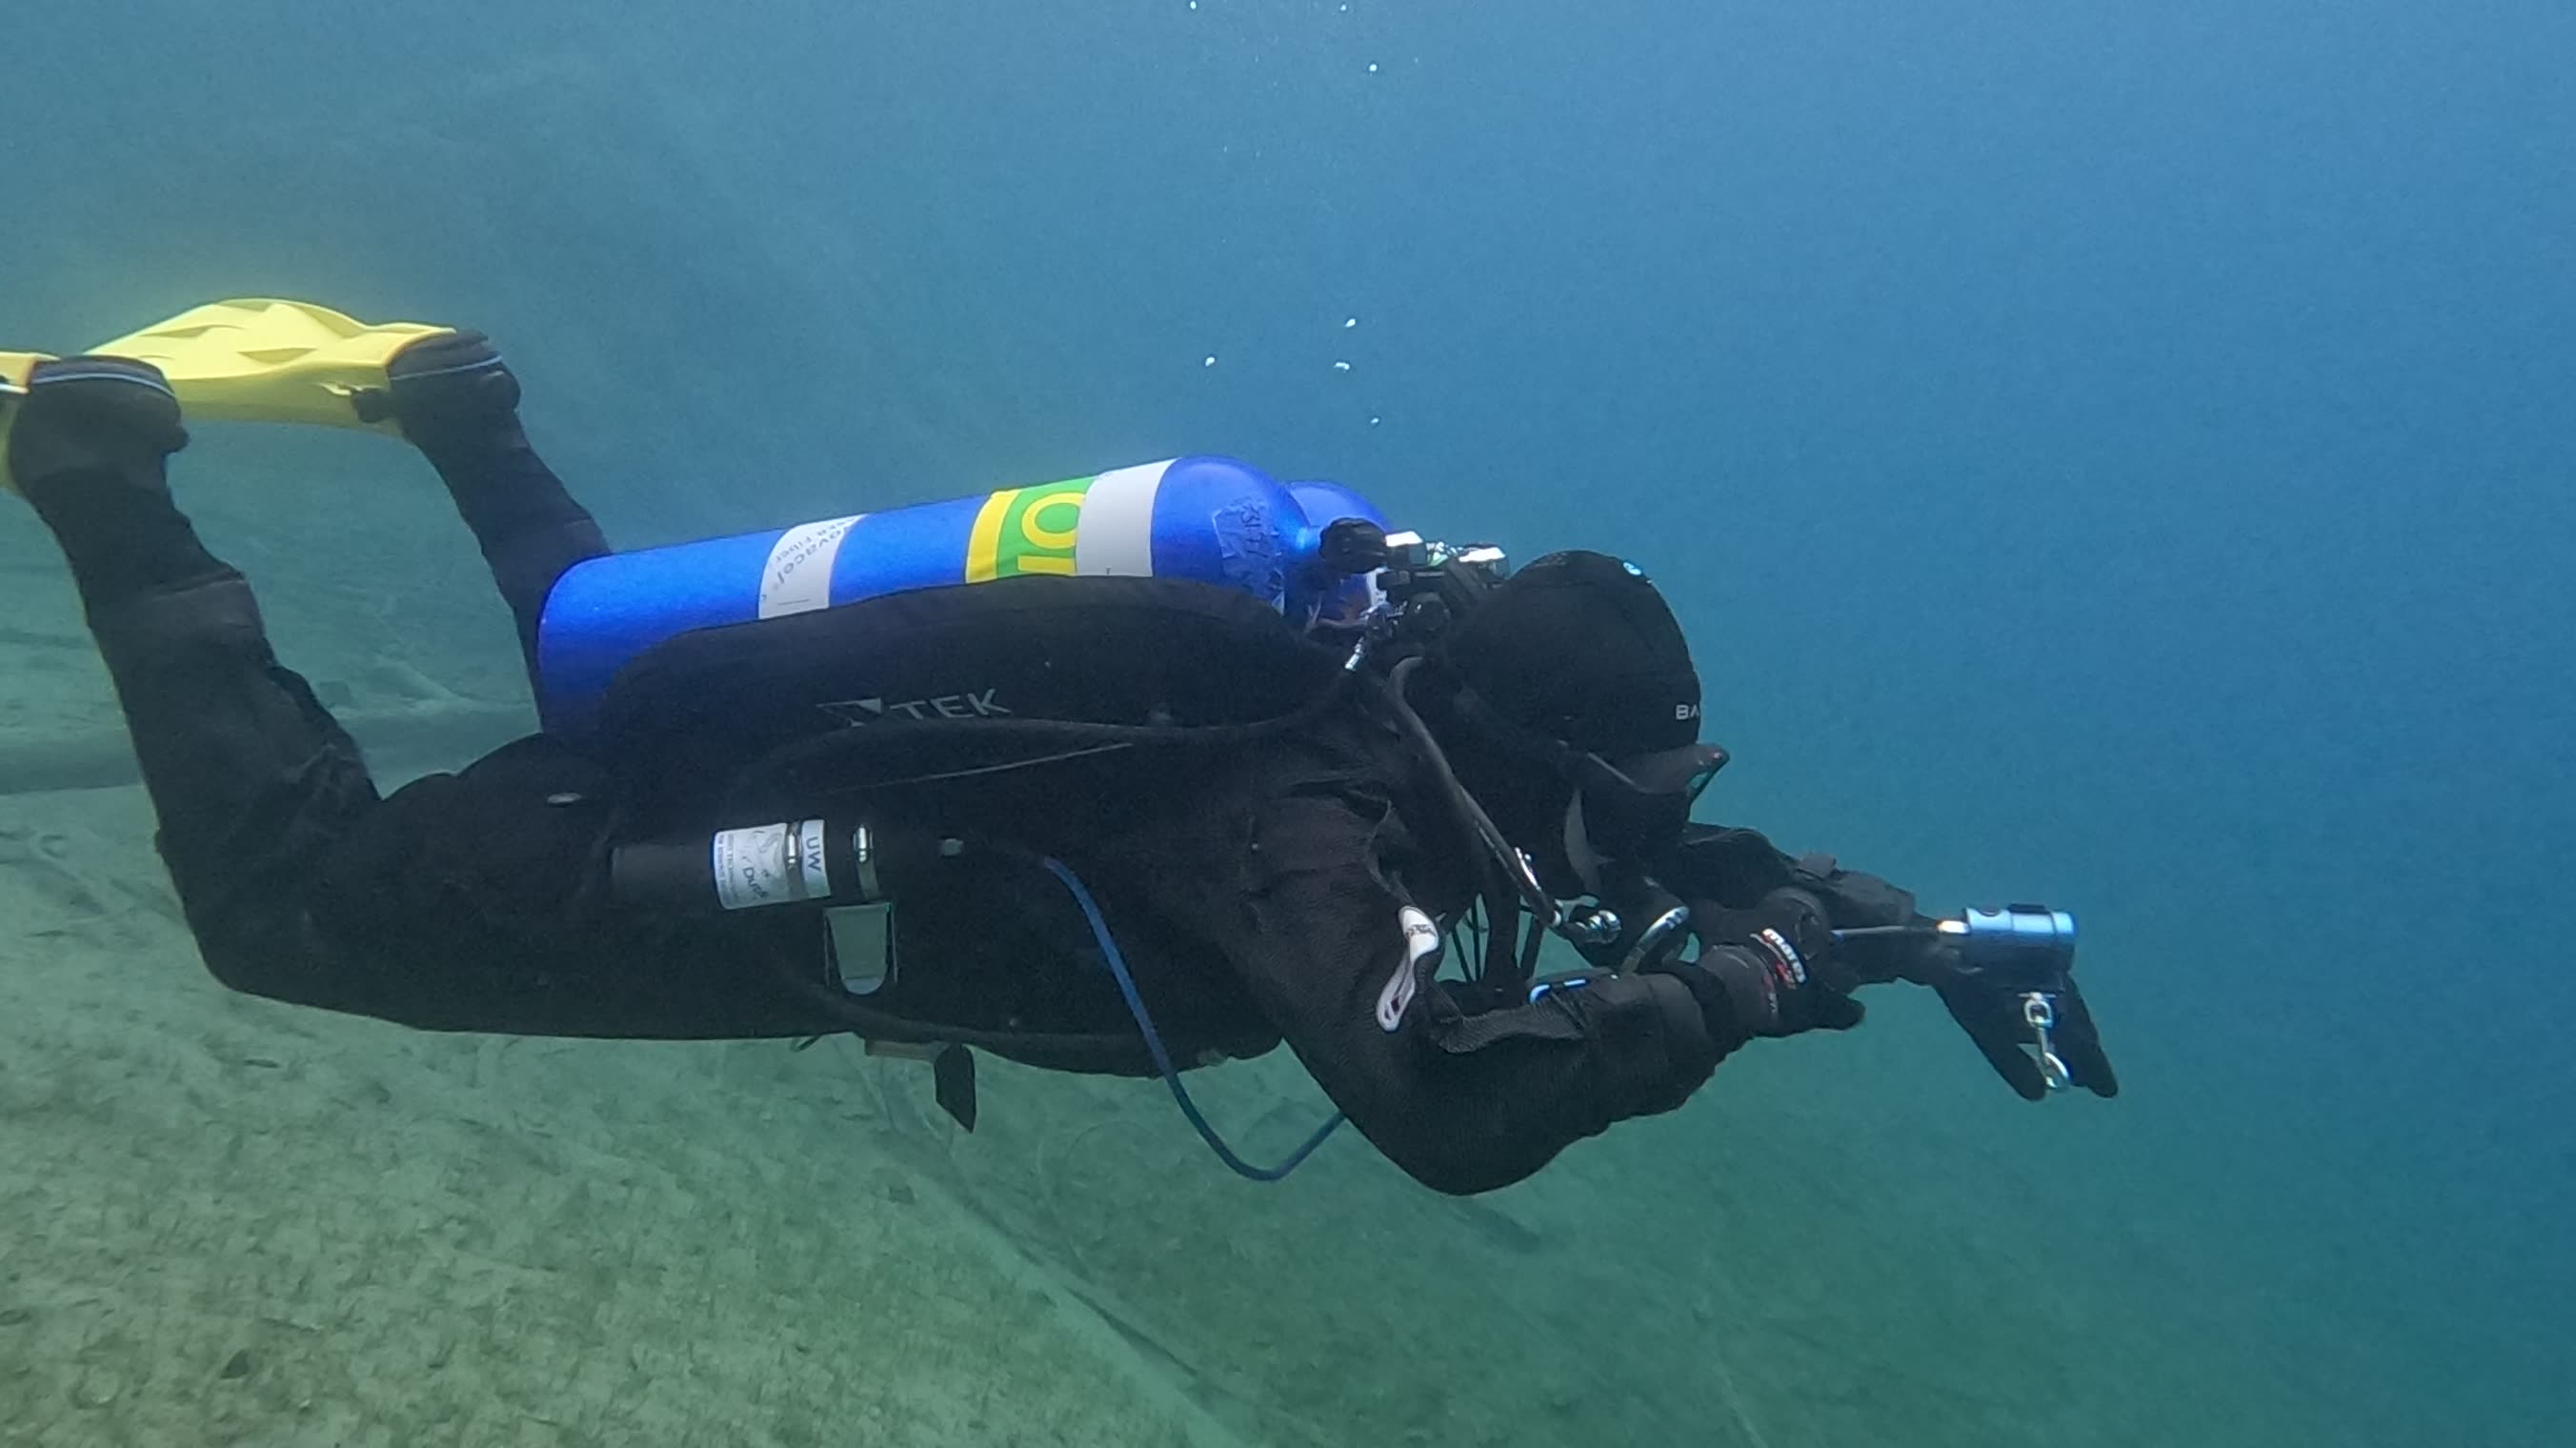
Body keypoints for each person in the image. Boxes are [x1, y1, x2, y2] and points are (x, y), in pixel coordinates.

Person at [0, 312, 2116, 1197]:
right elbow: (1445, 1114)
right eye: (1626, 795)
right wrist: (1730, 998)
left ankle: (474, 426)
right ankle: (101, 478)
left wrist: (1884, 935)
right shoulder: (1302, 813)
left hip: (763, 782)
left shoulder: (1389, 697)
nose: (1634, 837)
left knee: (605, 675)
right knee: (285, 913)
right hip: (712, 882)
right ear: (1518, 732)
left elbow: (1667, 858)